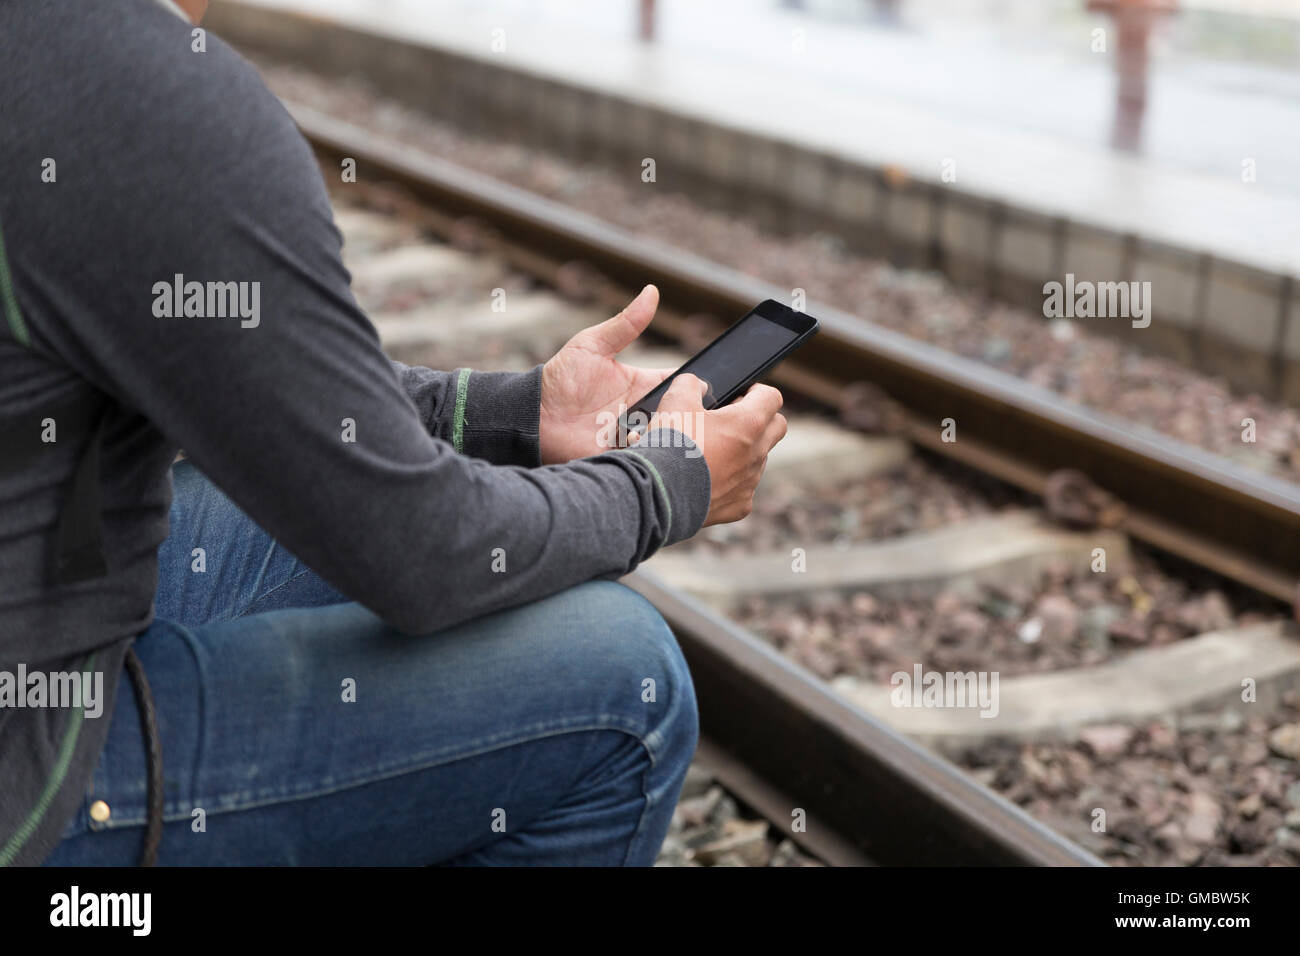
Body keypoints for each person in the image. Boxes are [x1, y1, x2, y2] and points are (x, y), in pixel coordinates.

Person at [0, 0, 786, 866]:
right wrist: (661, 486)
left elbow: (261, 390)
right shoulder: (151, 104)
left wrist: (512, 414)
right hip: (28, 779)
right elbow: (427, 557)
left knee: (281, 497)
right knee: (623, 680)